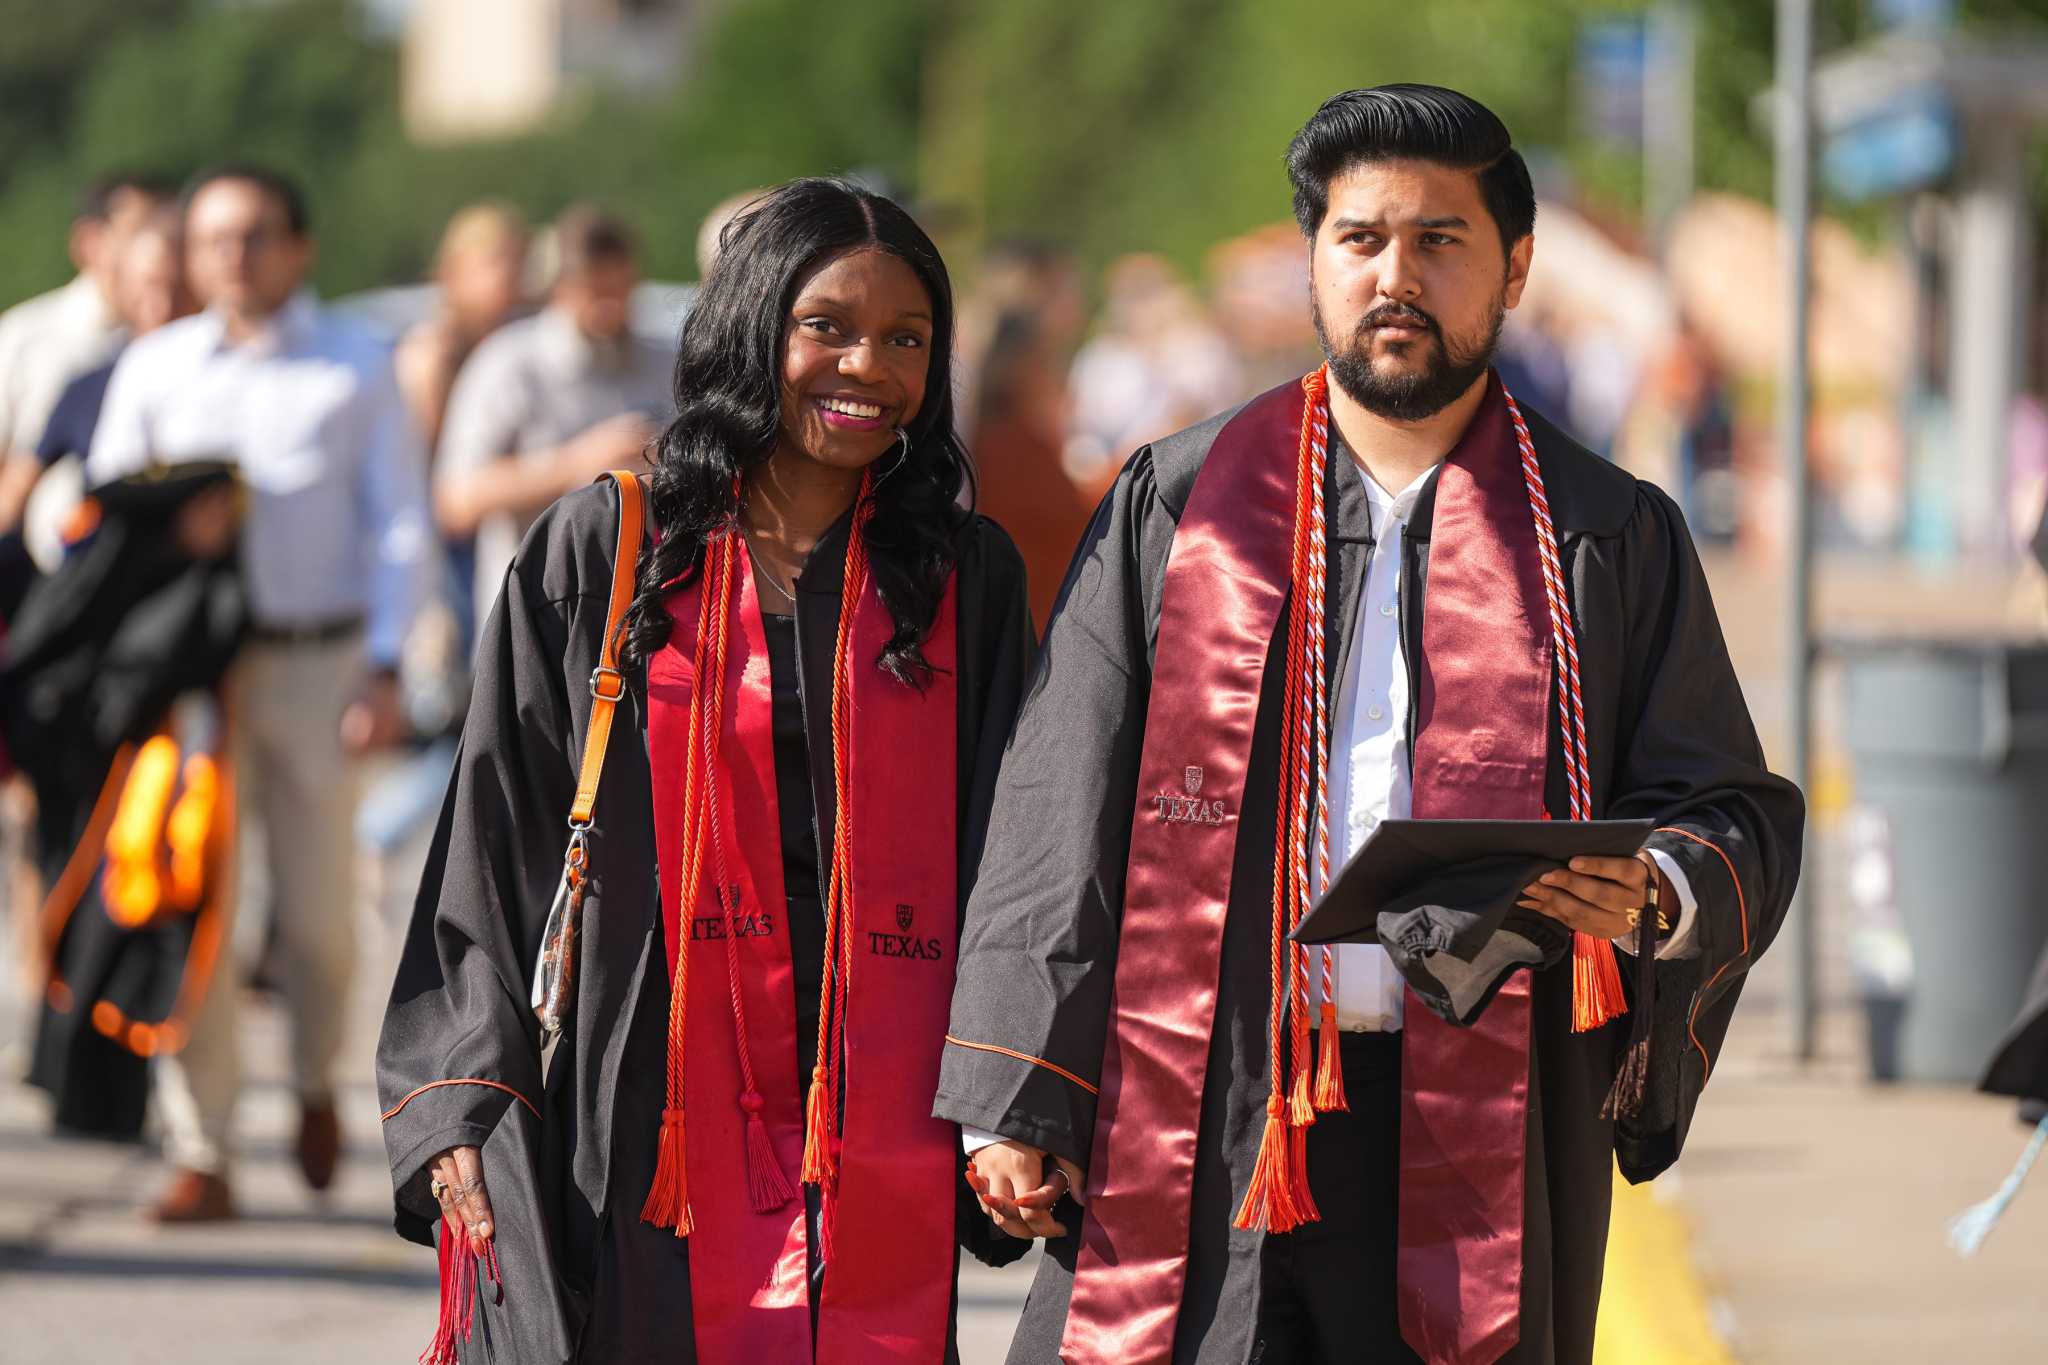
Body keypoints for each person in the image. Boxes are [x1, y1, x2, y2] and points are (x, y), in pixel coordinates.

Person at [938, 85, 1805, 1365]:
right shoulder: (1182, 509)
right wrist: (1011, 1098)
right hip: (1195, 1107)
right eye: (1357, 240)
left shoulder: (1603, 536)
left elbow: (1724, 806)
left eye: (1438, 241)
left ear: (1512, 269)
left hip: (1484, 1130)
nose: (1393, 276)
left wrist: (1655, 887)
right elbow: (1057, 803)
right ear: (1313, 261)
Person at [377, 177, 1033, 1363]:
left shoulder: (959, 579)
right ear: (749, 327)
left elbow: (1020, 850)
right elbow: (498, 831)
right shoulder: (612, 547)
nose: (866, 366)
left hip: (876, 1079)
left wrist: (1012, 1084)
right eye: (824, 326)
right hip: (646, 1083)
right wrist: (459, 1087)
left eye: (905, 339)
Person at [87, 163, 431, 1222]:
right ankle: (205, 1148)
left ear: (299, 247)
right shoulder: (154, 366)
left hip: (319, 667)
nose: (235, 256)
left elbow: (399, 526)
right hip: (197, 680)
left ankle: (319, 1085)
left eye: (257, 236)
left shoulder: (355, 366)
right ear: (191, 254)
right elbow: (96, 510)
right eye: (216, 238)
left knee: (322, 922)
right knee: (199, 910)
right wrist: (164, 529)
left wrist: (383, 666)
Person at [433, 203, 674, 623]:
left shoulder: (665, 362)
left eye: (619, 291)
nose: (608, 308)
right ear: (559, 286)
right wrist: (575, 465)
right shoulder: (508, 363)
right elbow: (457, 498)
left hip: (643, 616)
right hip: (535, 618)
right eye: (594, 292)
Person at [0, 172, 174, 533]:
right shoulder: (26, 337)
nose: (156, 244)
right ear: (89, 241)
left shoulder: (181, 344)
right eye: (140, 230)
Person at [394, 202, 532, 459]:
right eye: (496, 261)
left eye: (519, 262)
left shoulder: (518, 343)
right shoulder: (431, 362)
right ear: (452, 271)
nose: (510, 276)